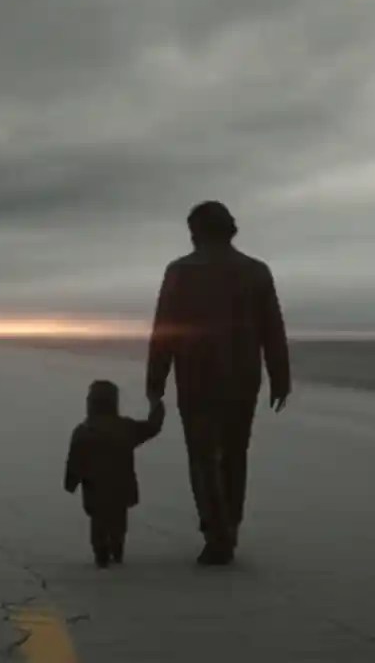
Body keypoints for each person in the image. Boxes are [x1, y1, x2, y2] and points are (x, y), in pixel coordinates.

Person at [146, 201, 291, 565]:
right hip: (243, 377)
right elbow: (273, 329)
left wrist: (156, 381)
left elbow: (164, 330)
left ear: (196, 232)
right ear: (231, 230)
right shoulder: (256, 271)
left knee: (202, 456)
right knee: (235, 454)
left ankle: (216, 531)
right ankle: (230, 525)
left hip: (196, 377)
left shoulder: (180, 272)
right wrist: (280, 376)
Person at [63, 380, 165, 568]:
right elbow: (152, 427)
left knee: (98, 524)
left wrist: (71, 482)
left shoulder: (83, 431)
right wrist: (157, 405)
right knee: (118, 522)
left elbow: (74, 461)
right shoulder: (125, 428)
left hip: (95, 491)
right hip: (121, 489)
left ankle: (101, 553)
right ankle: (117, 550)